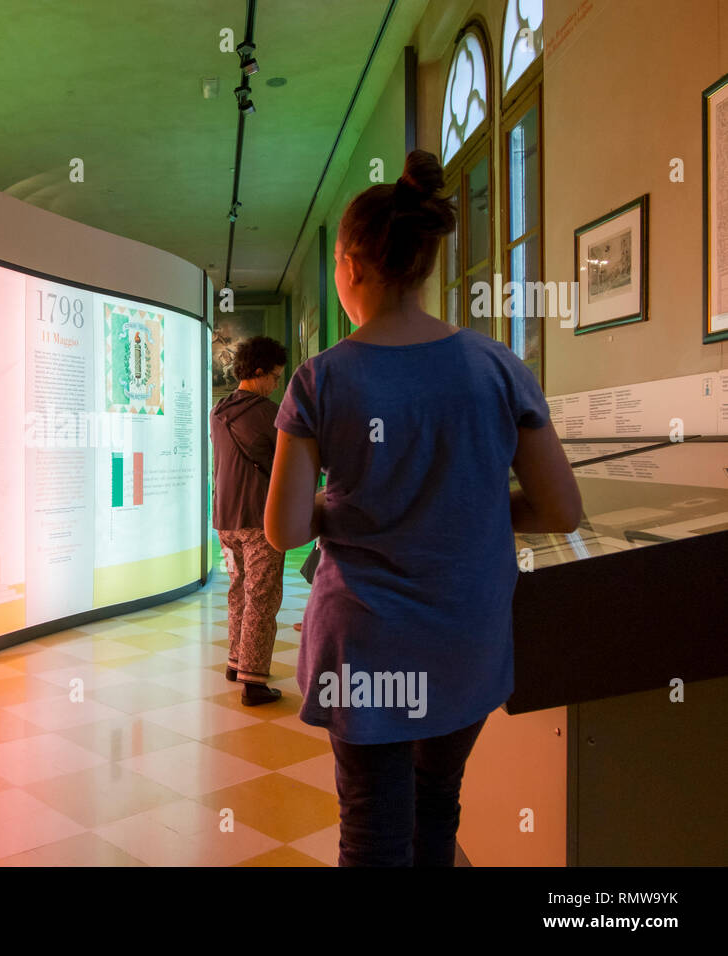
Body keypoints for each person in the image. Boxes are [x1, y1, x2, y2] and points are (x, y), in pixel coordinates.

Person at [264, 149, 582, 866]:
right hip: (464, 635)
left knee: (373, 832)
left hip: (369, 644)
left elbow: (283, 530)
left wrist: (335, 506)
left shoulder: (321, 379)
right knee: (437, 810)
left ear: (349, 267)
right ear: (424, 263)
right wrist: (463, 504)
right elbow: (561, 508)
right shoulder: (496, 364)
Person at [211, 335, 289, 706]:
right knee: (263, 596)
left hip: (225, 519)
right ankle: (254, 683)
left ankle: (236, 661)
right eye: (274, 376)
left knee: (238, 589)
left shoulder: (218, 411)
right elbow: (287, 464)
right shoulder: (269, 414)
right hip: (260, 518)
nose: (277, 384)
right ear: (258, 372)